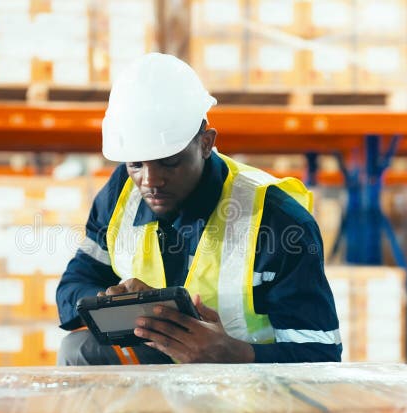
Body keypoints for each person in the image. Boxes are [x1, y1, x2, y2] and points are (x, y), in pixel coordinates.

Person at [55, 53, 340, 365]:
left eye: (169, 162)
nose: (150, 181)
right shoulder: (121, 194)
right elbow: (73, 286)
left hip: (251, 397)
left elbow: (321, 357)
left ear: (205, 143)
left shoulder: (278, 222)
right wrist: (108, 301)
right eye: (136, 164)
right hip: (163, 381)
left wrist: (235, 355)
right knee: (77, 350)